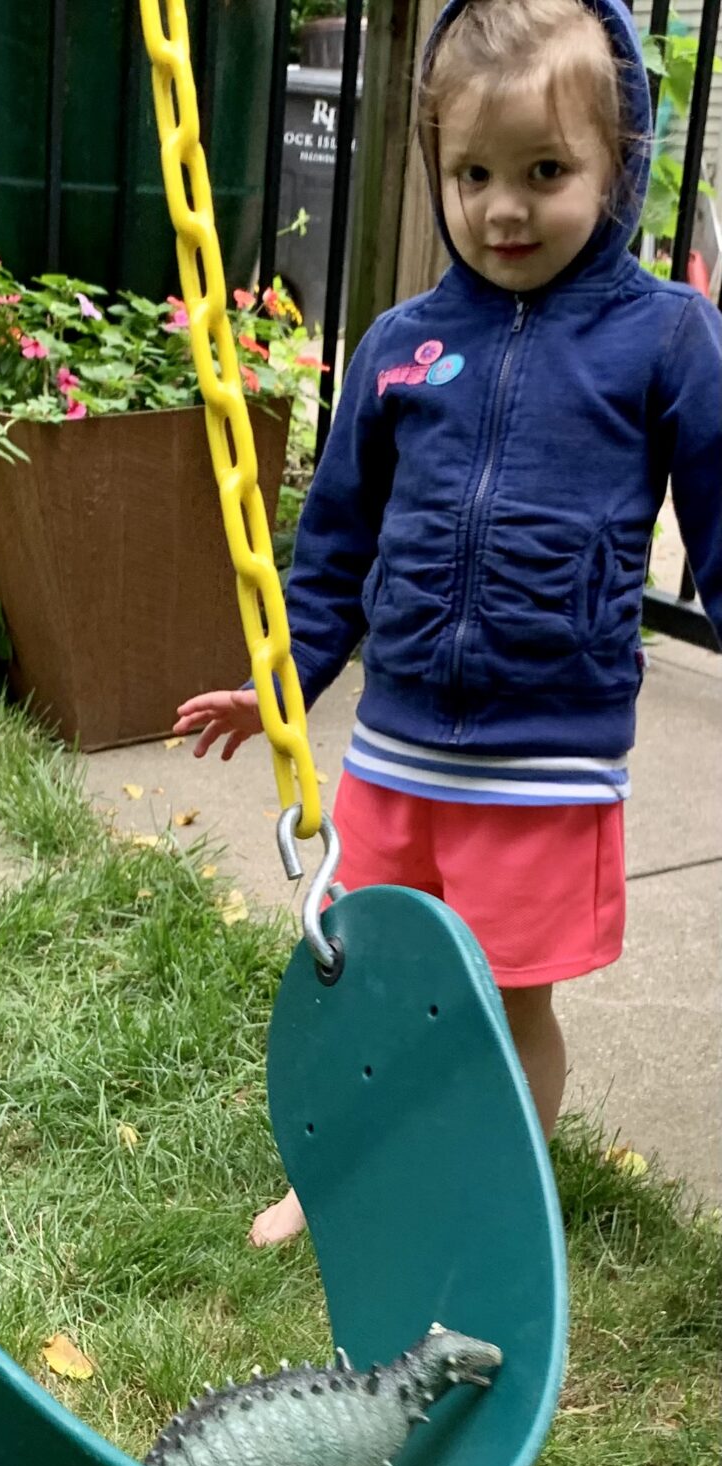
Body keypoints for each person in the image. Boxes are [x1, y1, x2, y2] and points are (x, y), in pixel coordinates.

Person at [174, 0, 722, 1247]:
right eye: (473, 174)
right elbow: (330, 556)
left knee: (505, 1006)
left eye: (546, 172)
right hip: (400, 750)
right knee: (373, 990)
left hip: (547, 762)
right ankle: (341, 1178)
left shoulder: (666, 339)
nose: (504, 210)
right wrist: (281, 687)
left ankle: (496, 1203)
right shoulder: (401, 346)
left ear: (619, 165)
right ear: (438, 168)